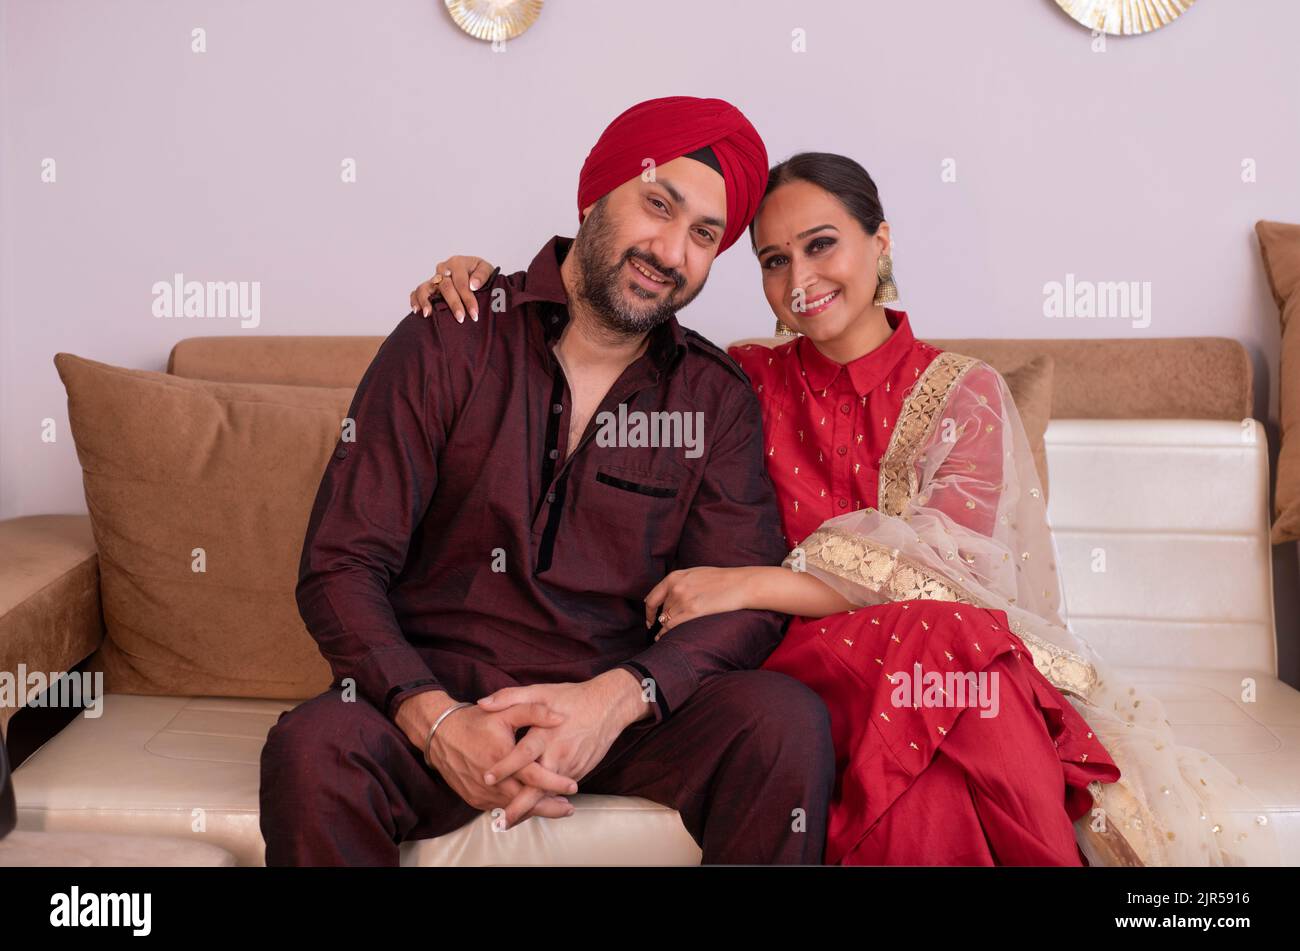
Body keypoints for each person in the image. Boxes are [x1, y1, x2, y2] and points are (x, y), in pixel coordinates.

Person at [414, 152, 1281, 866]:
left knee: (940, 721)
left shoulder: (963, 391)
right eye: (773, 261)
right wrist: (496, 289)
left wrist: (747, 582)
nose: (801, 279)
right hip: (779, 674)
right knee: (953, 657)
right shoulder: (736, 379)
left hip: (915, 672)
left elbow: (957, 579)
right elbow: (599, 329)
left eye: (822, 245)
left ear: (881, 242)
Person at [259, 96, 837, 866]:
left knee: (783, 721)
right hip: (445, 695)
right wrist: (434, 721)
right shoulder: (451, 336)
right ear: (596, 193)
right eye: (657, 205)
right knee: (313, 749)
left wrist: (613, 701)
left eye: (703, 235)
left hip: (618, 718)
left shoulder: (713, 396)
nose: (670, 250)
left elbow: (740, 602)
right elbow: (341, 563)